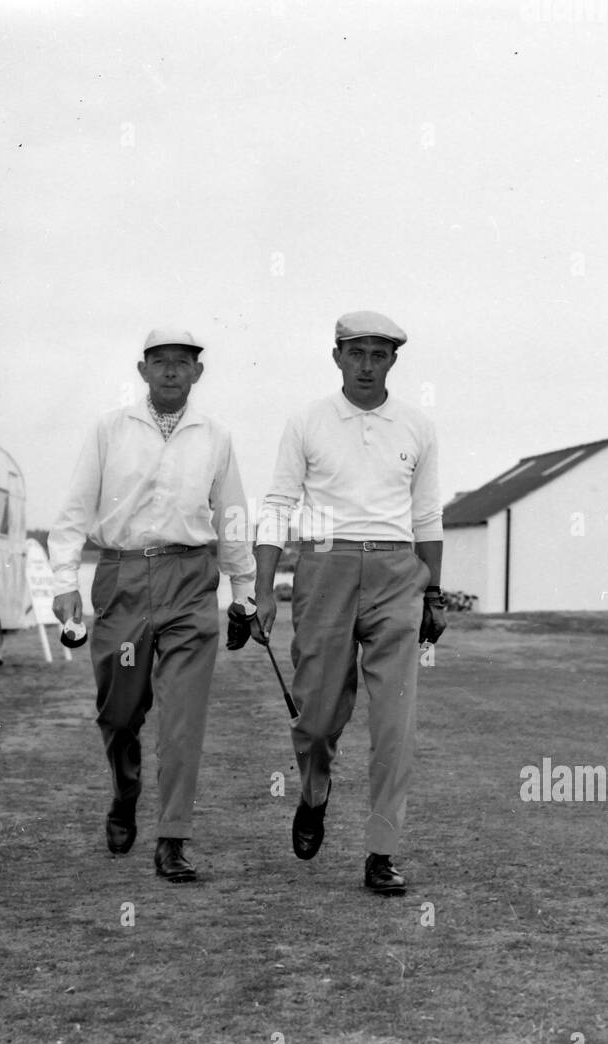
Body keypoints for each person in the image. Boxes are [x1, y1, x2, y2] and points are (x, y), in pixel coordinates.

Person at [50, 328, 256, 883]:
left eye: (182, 363)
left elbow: (232, 513)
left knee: (183, 719)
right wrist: (65, 577)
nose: (170, 371)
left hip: (190, 577)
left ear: (198, 373)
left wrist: (243, 593)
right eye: (159, 362)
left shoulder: (216, 436)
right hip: (121, 577)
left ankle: (173, 839)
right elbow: (74, 506)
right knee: (119, 713)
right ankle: (124, 788)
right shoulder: (110, 429)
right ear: (142, 371)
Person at [250, 310, 445, 895]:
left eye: (378, 355)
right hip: (324, 568)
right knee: (315, 716)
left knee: (395, 727)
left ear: (393, 361)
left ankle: (382, 852)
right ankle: (314, 791)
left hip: (396, 574)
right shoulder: (307, 421)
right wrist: (262, 590)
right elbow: (279, 503)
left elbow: (428, 515)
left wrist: (433, 591)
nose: (366, 365)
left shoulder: (417, 426)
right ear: (336, 356)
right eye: (355, 353)